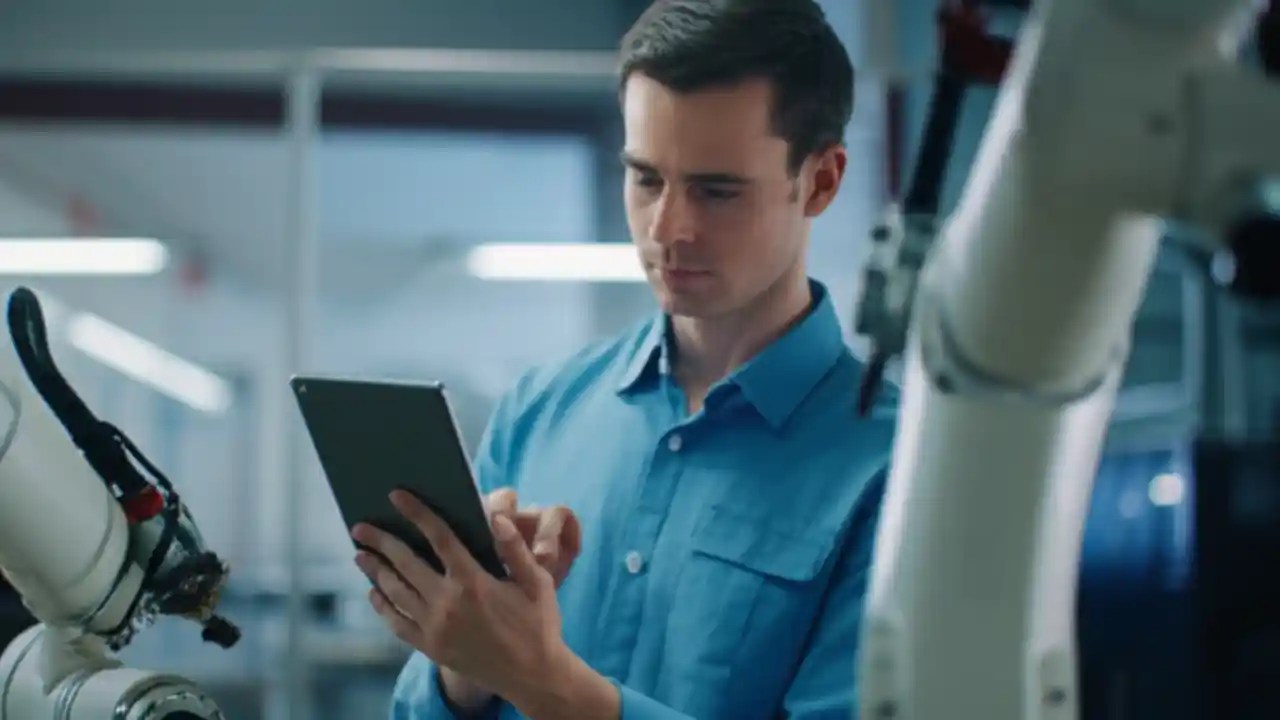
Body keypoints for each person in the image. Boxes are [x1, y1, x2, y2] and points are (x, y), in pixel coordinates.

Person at [353, 0, 897, 717]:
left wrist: (542, 678)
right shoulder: (538, 413)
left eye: (716, 191)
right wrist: (469, 665)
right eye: (646, 179)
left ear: (821, 181)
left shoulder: (894, 468)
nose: (668, 229)